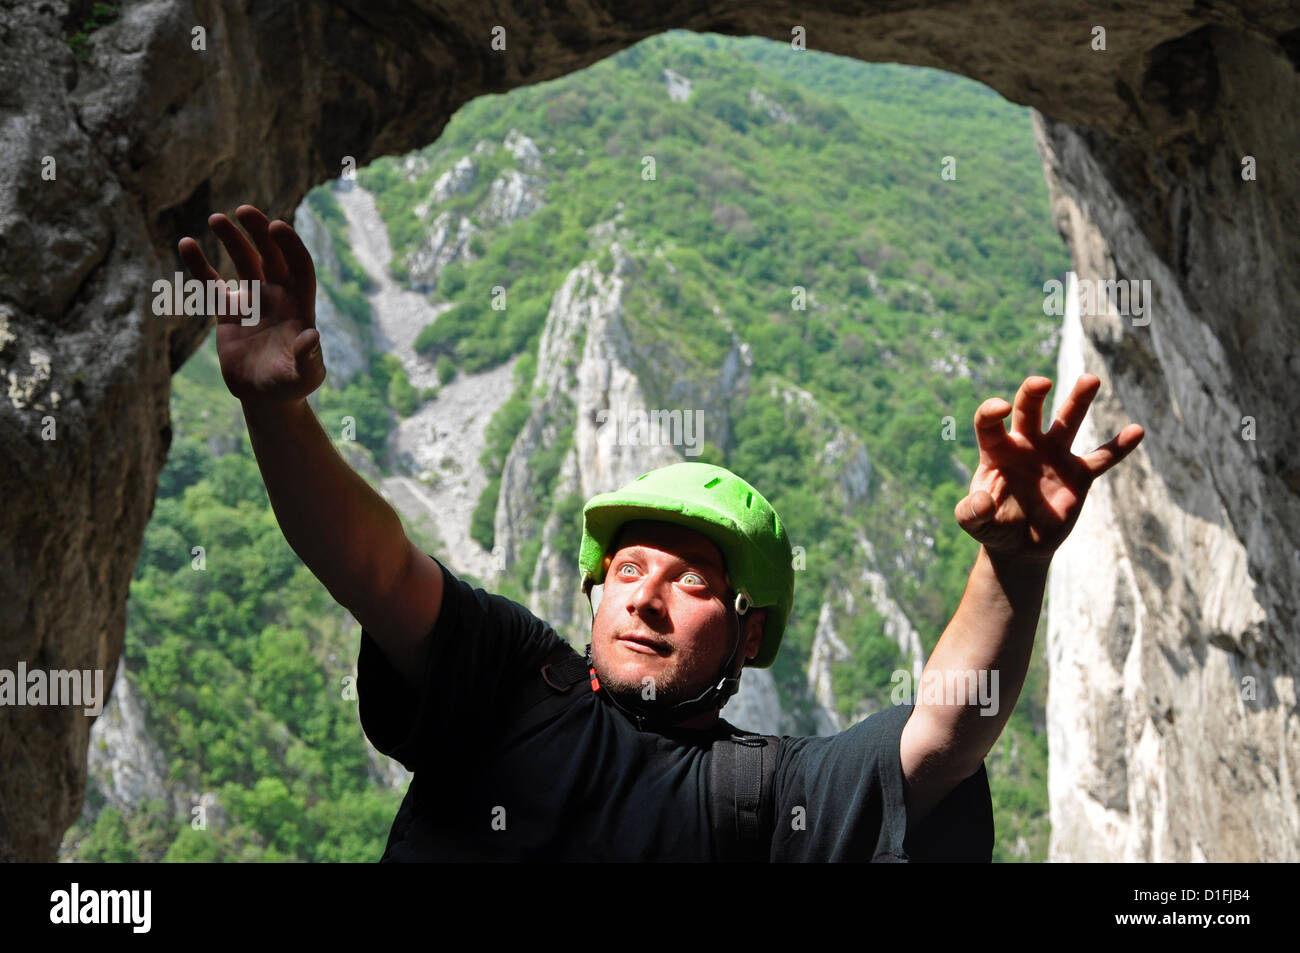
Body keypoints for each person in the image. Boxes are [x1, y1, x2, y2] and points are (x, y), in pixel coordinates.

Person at [178, 205, 1146, 862]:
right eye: (627, 566)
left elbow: (940, 735)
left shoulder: (770, 795)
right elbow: (373, 564)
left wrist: (1009, 567)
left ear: (749, 631)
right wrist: (279, 412)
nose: (641, 591)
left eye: (688, 579)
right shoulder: (508, 682)